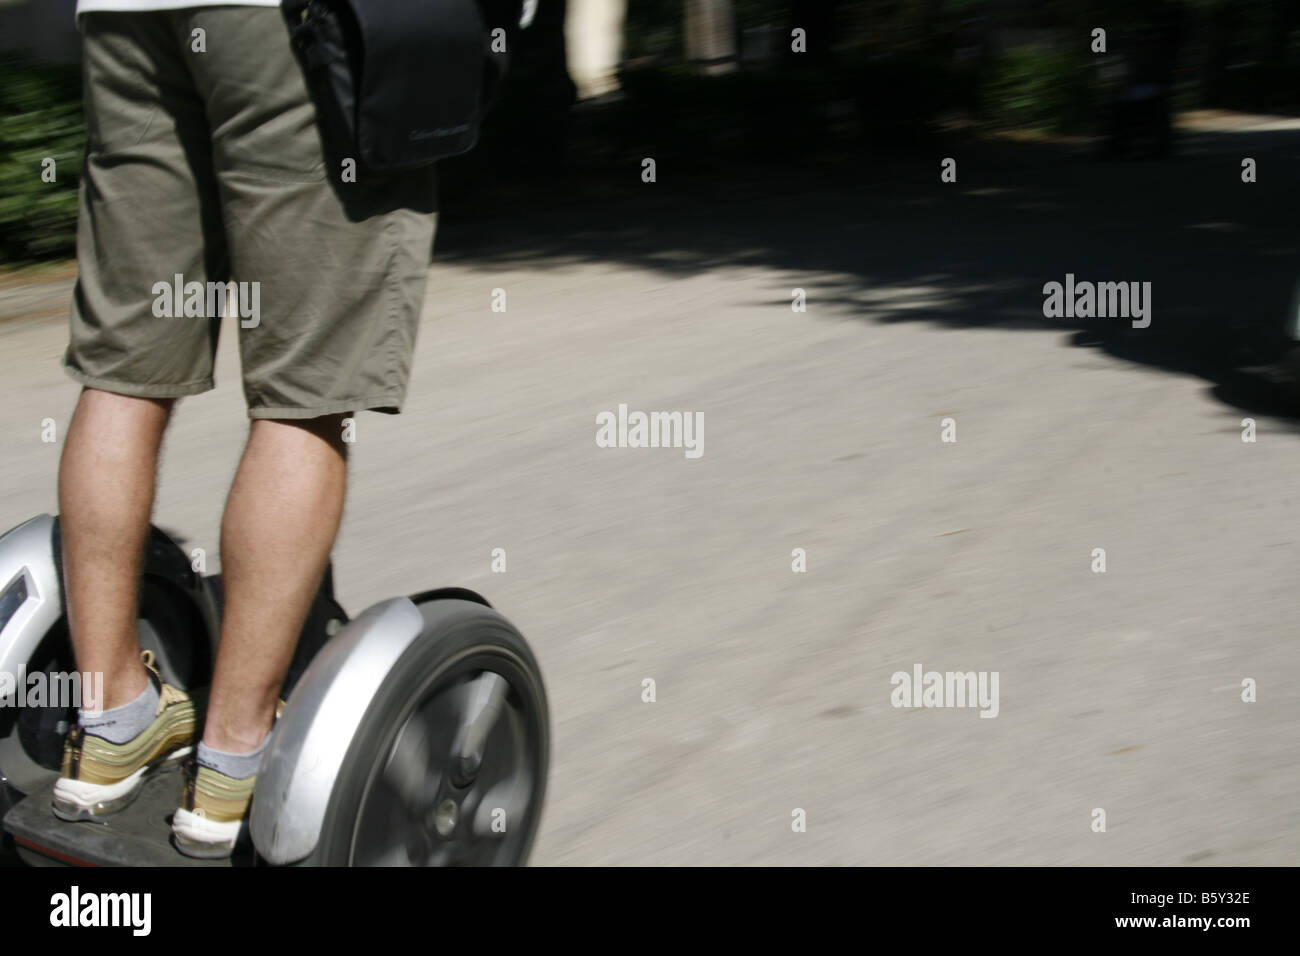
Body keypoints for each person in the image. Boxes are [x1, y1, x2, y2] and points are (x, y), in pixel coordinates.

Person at [52, 0, 438, 858]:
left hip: (125, 17)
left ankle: (110, 718)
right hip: (290, 22)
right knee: (307, 389)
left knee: (122, 371)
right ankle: (235, 753)